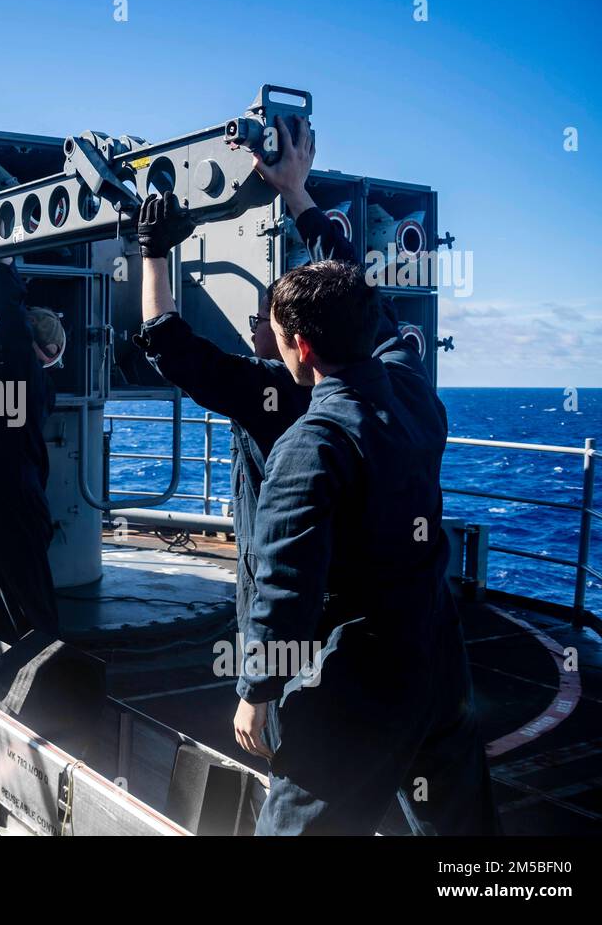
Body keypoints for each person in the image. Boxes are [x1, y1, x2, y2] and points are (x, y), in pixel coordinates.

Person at [232, 258, 501, 835]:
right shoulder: (413, 392)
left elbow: (286, 586)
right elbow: (387, 324)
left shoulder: (310, 445)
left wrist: (256, 690)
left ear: (301, 348)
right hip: (437, 657)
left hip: (361, 684)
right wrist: (301, 201)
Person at [134, 116, 361, 654]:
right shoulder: (392, 376)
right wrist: (298, 193)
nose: (256, 331)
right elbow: (360, 303)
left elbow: (170, 345)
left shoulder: (270, 391)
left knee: (285, 726)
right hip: (361, 608)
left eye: (266, 325)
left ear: (296, 343)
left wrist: (152, 251)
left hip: (286, 613)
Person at [0, 258, 62, 645]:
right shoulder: (32, 378)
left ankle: (6, 658)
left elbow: (8, 332)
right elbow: (14, 326)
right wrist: (7, 268)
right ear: (50, 348)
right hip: (17, 492)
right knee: (30, 586)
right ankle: (47, 664)